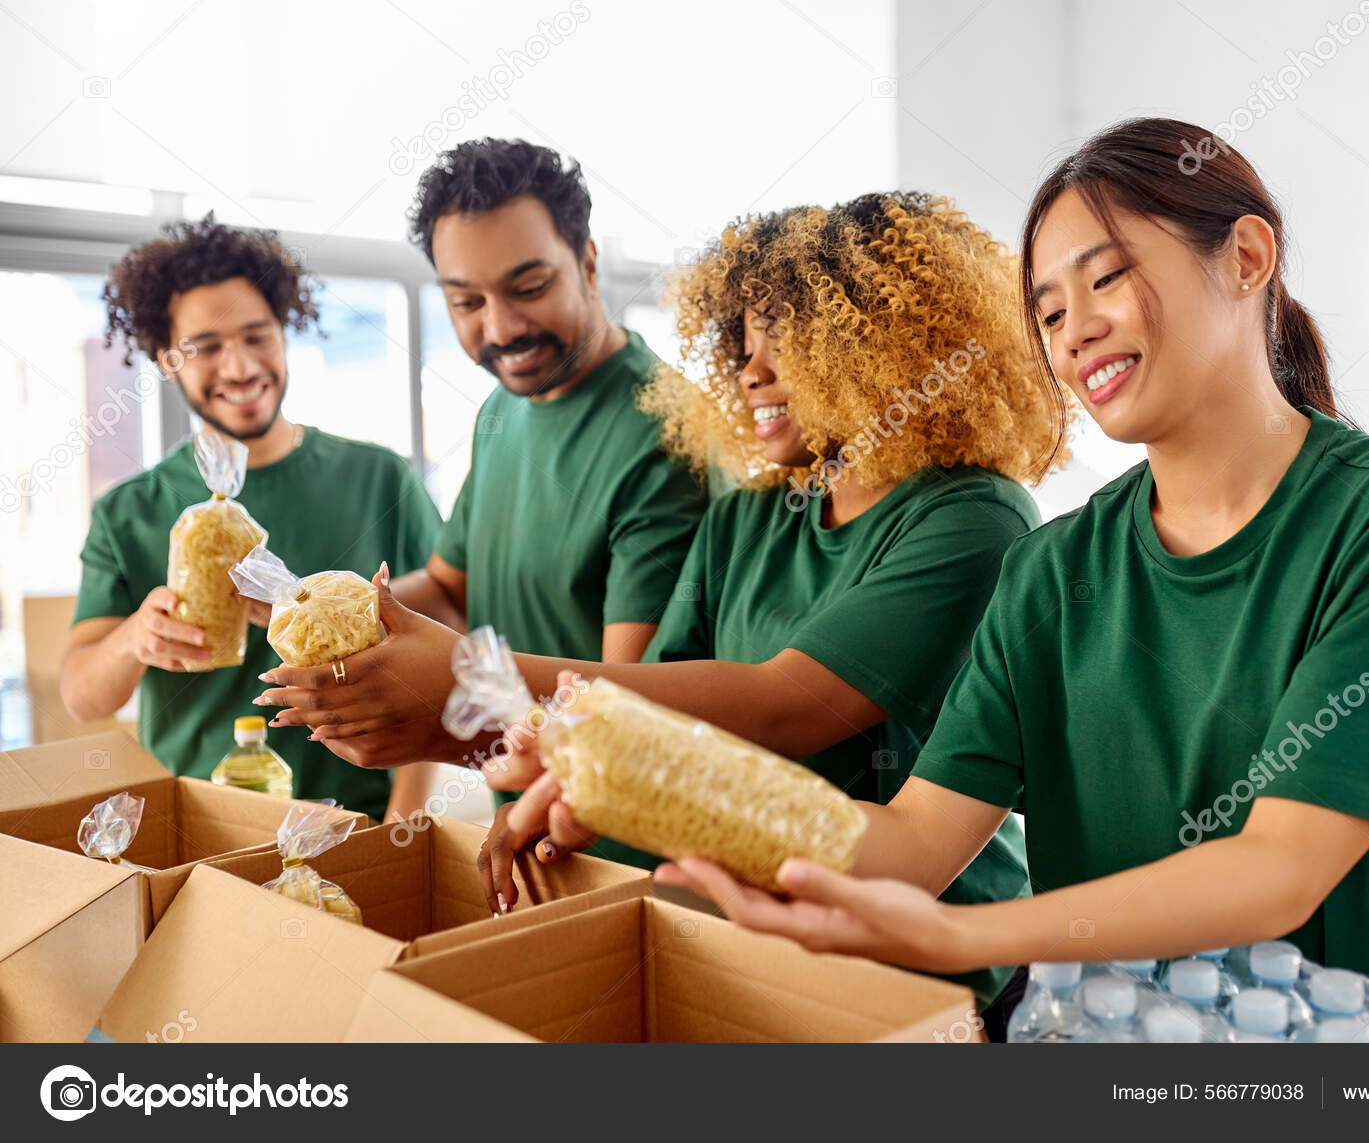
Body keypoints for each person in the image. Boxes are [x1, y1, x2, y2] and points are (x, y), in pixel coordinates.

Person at [649, 119, 1369, 1042]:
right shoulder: (1051, 575)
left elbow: (1278, 867)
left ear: (1248, 256)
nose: (1077, 331)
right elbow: (908, 843)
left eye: (1105, 279)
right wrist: (637, 778)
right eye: (1051, 312)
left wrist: (963, 934)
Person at [255, 191, 1072, 1014]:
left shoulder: (970, 516)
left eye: (786, 343)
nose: (751, 372)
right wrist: (544, 785)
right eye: (742, 345)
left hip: (921, 975)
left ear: (880, 348)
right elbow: (652, 724)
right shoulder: (747, 517)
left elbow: (788, 704)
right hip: (751, 948)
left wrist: (469, 674)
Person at [61, 216, 441, 821]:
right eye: (207, 347)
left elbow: (439, 648)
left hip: (357, 822)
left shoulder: (380, 478)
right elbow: (83, 697)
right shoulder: (129, 512)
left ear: (285, 335)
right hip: (201, 829)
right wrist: (137, 637)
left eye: (257, 337)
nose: (239, 368)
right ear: (167, 361)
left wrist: (407, 811)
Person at [385, 138, 707, 807]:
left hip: (617, 840)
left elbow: (618, 707)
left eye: (528, 288)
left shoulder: (668, 432)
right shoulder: (502, 410)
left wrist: (424, 713)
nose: (501, 328)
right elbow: (452, 592)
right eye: (466, 303)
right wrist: (326, 610)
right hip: (524, 822)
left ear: (587, 263)